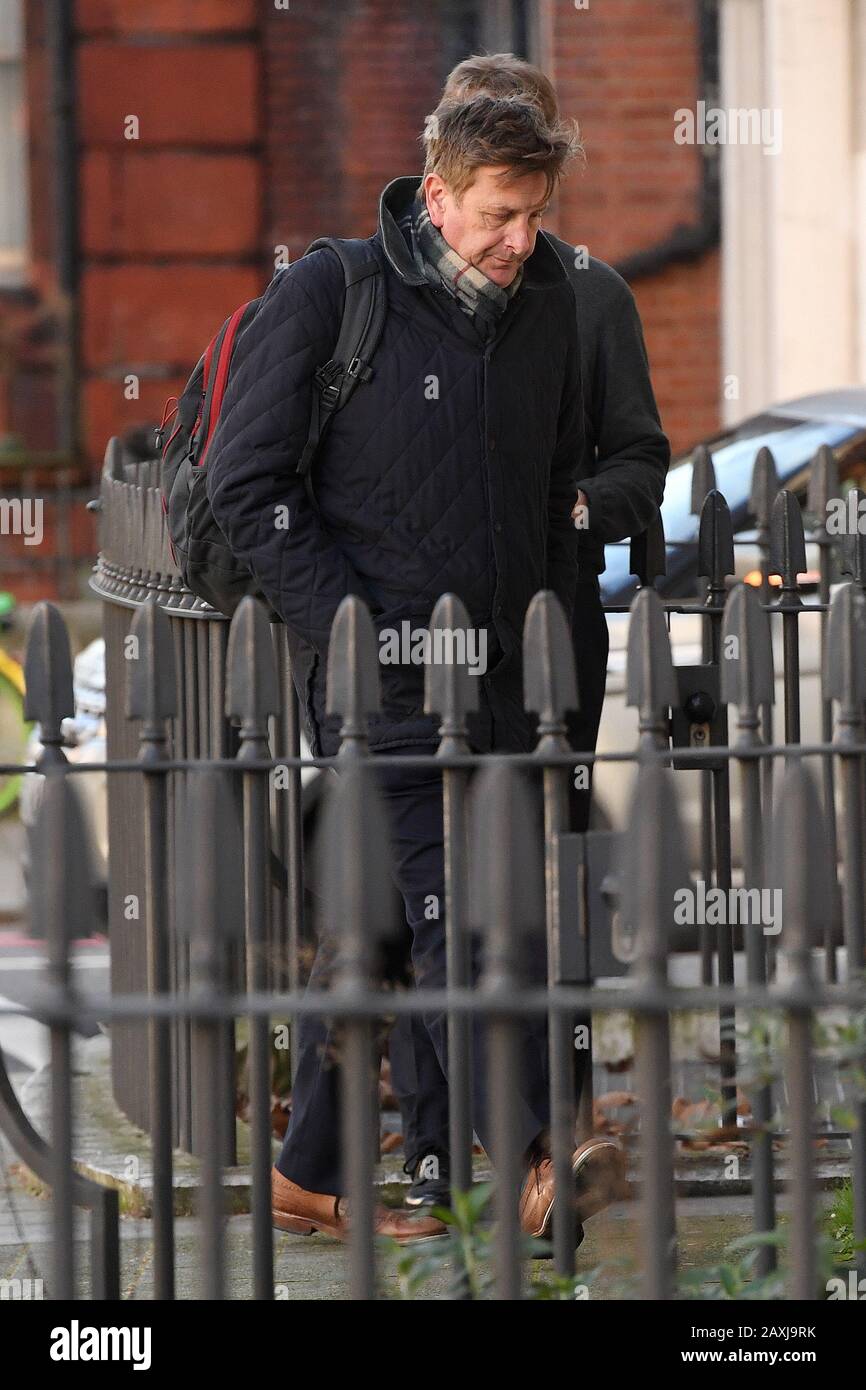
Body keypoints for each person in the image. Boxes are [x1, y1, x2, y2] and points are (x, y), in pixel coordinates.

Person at [207, 92, 623, 1244]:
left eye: (535, 214)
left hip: (494, 681)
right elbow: (248, 485)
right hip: (377, 684)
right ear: (435, 195)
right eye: (497, 214)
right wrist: (356, 631)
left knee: (392, 927)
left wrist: (538, 651)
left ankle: (306, 1170)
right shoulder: (331, 294)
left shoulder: (544, 304)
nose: (518, 240)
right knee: (465, 922)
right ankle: (540, 1153)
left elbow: (547, 492)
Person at [389, 55, 671, 1218]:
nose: (514, 226)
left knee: (539, 897)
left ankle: (554, 1139)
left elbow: (636, 462)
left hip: (548, 644)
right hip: (420, 655)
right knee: (424, 910)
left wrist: (561, 509)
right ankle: (439, 1150)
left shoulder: (586, 291)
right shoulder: (415, 290)